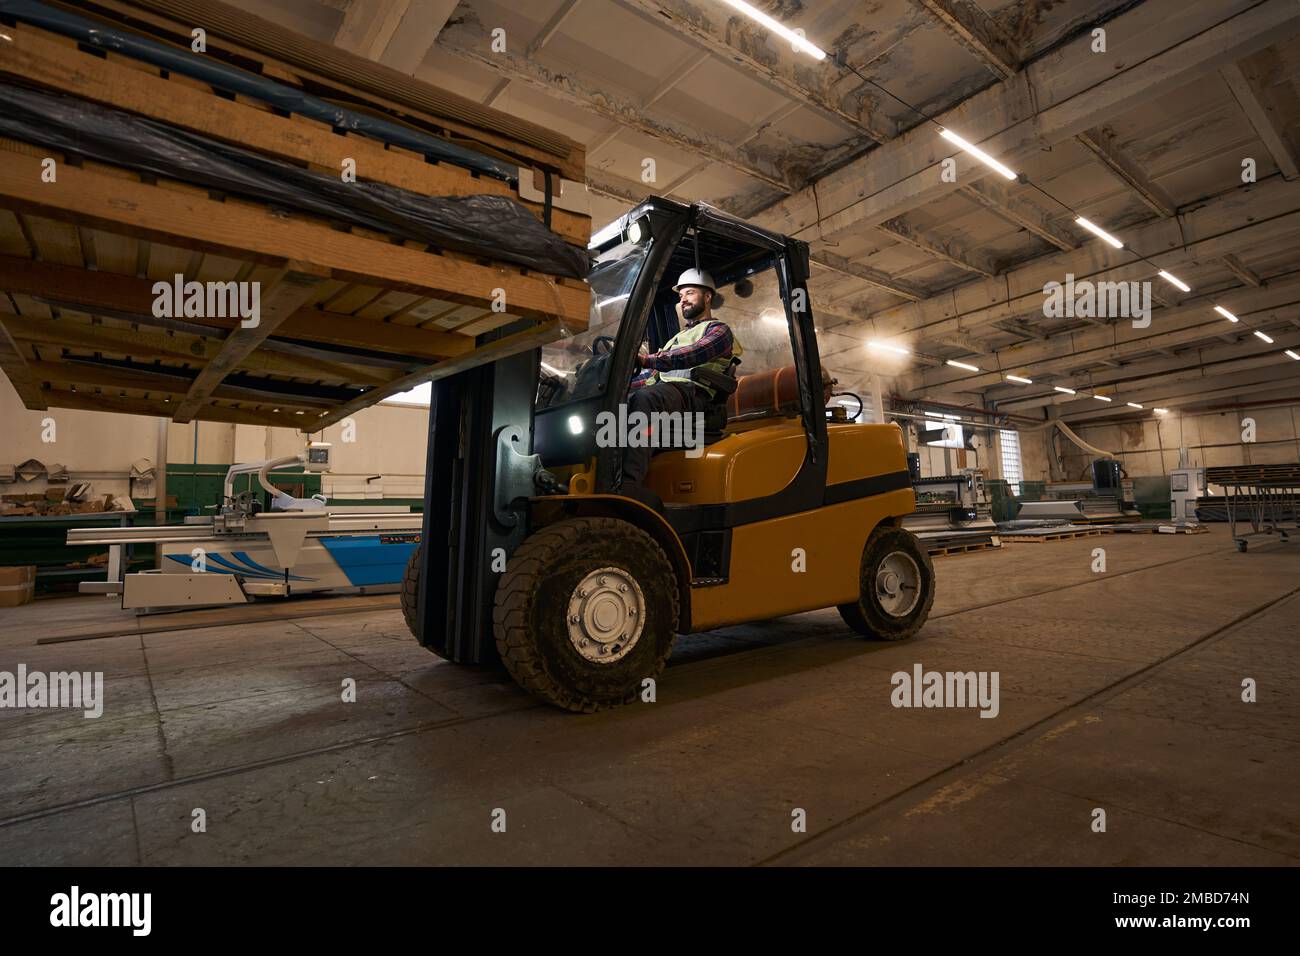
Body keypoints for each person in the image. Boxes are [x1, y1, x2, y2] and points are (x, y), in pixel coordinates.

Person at [619, 269, 742, 507]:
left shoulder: (718, 330)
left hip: (697, 397)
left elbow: (694, 354)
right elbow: (651, 376)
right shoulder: (675, 338)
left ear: (707, 297)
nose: (683, 299)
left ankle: (629, 485)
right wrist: (616, 385)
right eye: (680, 295)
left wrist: (648, 359)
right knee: (622, 400)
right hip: (673, 394)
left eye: (690, 292)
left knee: (646, 400)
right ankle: (611, 477)